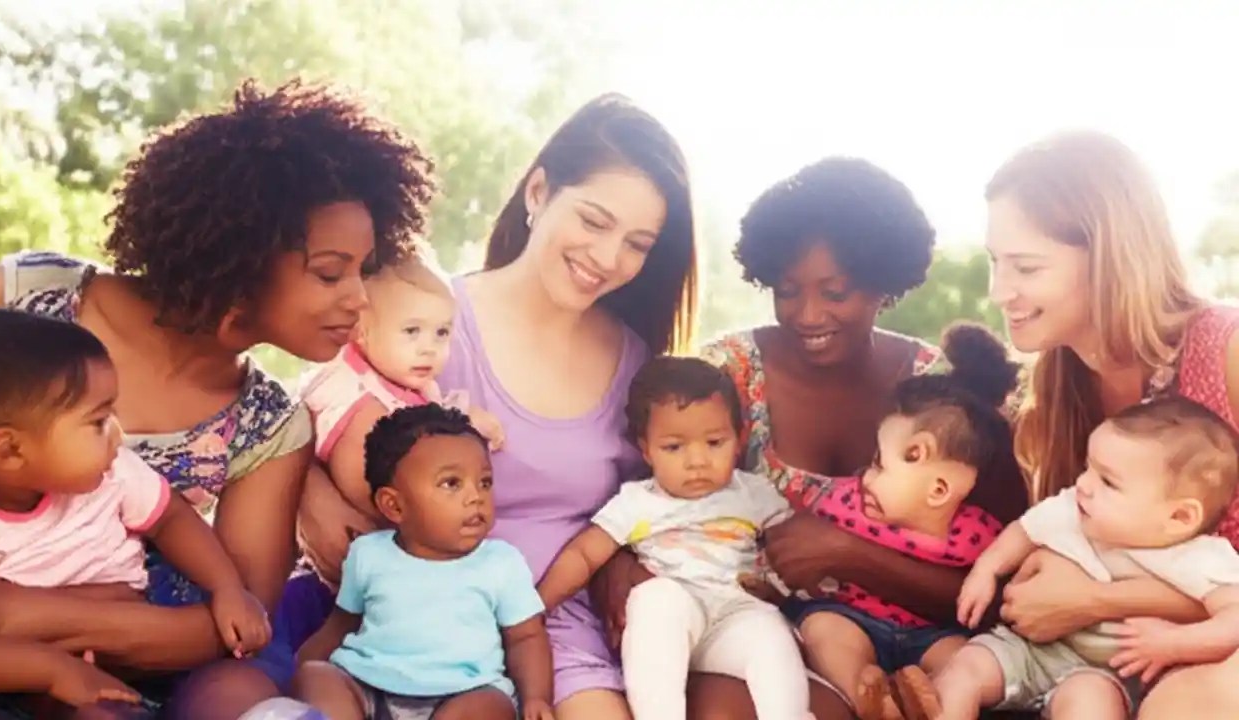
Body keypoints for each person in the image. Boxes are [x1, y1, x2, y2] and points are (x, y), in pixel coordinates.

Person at [0, 78, 435, 719]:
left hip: (152, 657)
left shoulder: (269, 425)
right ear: (241, 253)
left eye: (362, 270)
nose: (360, 298)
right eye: (330, 272)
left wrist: (31, 613)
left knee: (240, 695)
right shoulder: (30, 296)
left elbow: (235, 628)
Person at [291, 92, 697, 720]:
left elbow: (646, 509)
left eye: (637, 242)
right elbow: (308, 416)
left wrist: (620, 567)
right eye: (594, 221)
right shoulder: (424, 321)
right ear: (538, 193)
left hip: (553, 629)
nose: (609, 258)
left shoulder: (638, 365)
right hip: (413, 620)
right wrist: (309, 495)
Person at [592, 158, 1028, 719]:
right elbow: (640, 493)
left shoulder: (943, 391)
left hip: (933, 648)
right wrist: (619, 568)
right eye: (788, 290)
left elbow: (994, 582)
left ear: (883, 285)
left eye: (836, 292)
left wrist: (850, 555)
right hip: (760, 637)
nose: (808, 314)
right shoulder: (727, 375)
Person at [978, 131, 1239, 718]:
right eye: (995, 262)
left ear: (1111, 256)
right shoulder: (1051, 396)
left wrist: (1095, 600)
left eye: (1026, 266)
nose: (999, 292)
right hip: (1119, 671)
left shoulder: (1226, 351)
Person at [0, 309, 272, 713]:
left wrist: (227, 586)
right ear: (10, 450)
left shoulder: (113, 473)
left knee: (240, 687)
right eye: (99, 421)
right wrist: (52, 671)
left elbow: (170, 518)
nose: (119, 434)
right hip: (27, 671)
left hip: (148, 616)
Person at [930, 398, 1239, 719]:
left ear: (1179, 517)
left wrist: (1176, 642)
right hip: (1031, 650)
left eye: (1108, 481)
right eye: (1087, 468)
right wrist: (986, 570)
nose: (1082, 484)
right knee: (964, 669)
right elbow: (1023, 531)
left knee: (1089, 705)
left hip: (1103, 674)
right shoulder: (1073, 509)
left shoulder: (1200, 559)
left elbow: (1234, 619)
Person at [537, 357, 806, 719]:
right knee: (656, 599)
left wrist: (783, 588)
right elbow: (585, 554)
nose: (697, 461)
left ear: (738, 439)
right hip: (669, 624)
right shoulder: (638, 501)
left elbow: (796, 549)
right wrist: (536, 607)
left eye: (714, 442)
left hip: (733, 618)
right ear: (645, 449)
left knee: (771, 635)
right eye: (674, 447)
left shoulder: (753, 494)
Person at [775, 324, 1019, 720]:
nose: (865, 477)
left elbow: (994, 595)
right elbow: (796, 542)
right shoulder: (847, 503)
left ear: (939, 491)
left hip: (933, 634)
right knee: (824, 630)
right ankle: (869, 695)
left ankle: (927, 701)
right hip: (855, 619)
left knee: (964, 658)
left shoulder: (979, 535)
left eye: (879, 465)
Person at [293, 405, 552, 720]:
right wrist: (298, 666)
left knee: (490, 706)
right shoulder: (368, 554)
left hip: (461, 692)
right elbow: (341, 624)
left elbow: (526, 637)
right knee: (317, 677)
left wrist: (537, 698)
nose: (476, 496)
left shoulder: (500, 562)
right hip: (367, 685)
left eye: (484, 482)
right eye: (451, 483)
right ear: (394, 506)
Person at [298, 253, 503, 522]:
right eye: (411, 331)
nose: (429, 348)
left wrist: (465, 422)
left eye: (441, 333)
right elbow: (365, 488)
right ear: (361, 331)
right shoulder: (357, 399)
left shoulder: (408, 385)